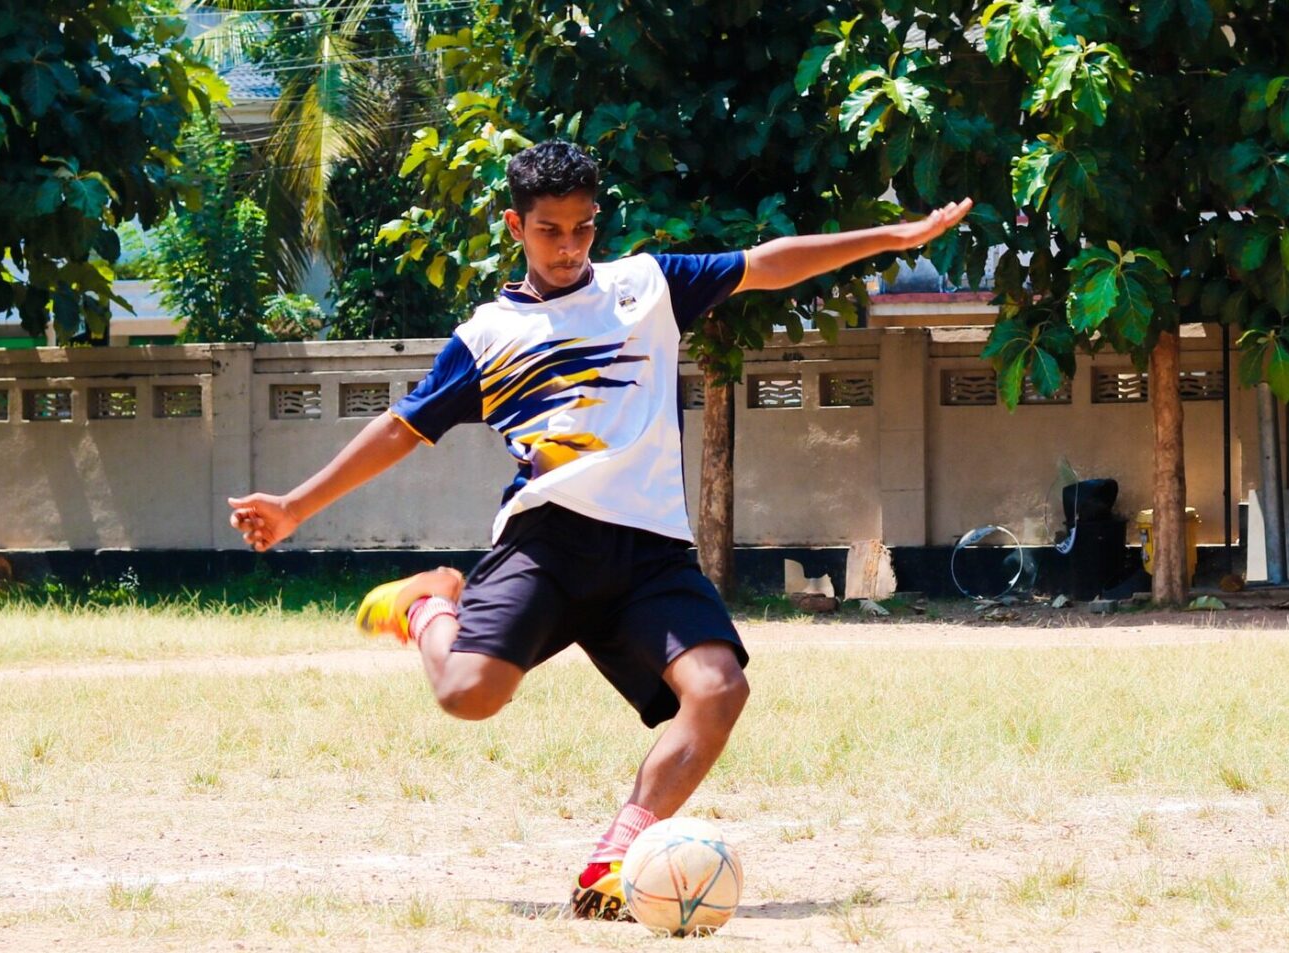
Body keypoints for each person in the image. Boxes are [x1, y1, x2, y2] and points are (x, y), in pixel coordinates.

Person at [228, 140, 972, 919]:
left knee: (719, 690)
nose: (569, 246)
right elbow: (401, 428)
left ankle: (615, 860)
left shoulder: (644, 285)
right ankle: (429, 601)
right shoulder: (486, 336)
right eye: (550, 230)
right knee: (467, 694)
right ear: (516, 225)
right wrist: (295, 505)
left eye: (583, 227)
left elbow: (767, 262)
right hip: (547, 542)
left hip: (650, 552)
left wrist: (890, 239)